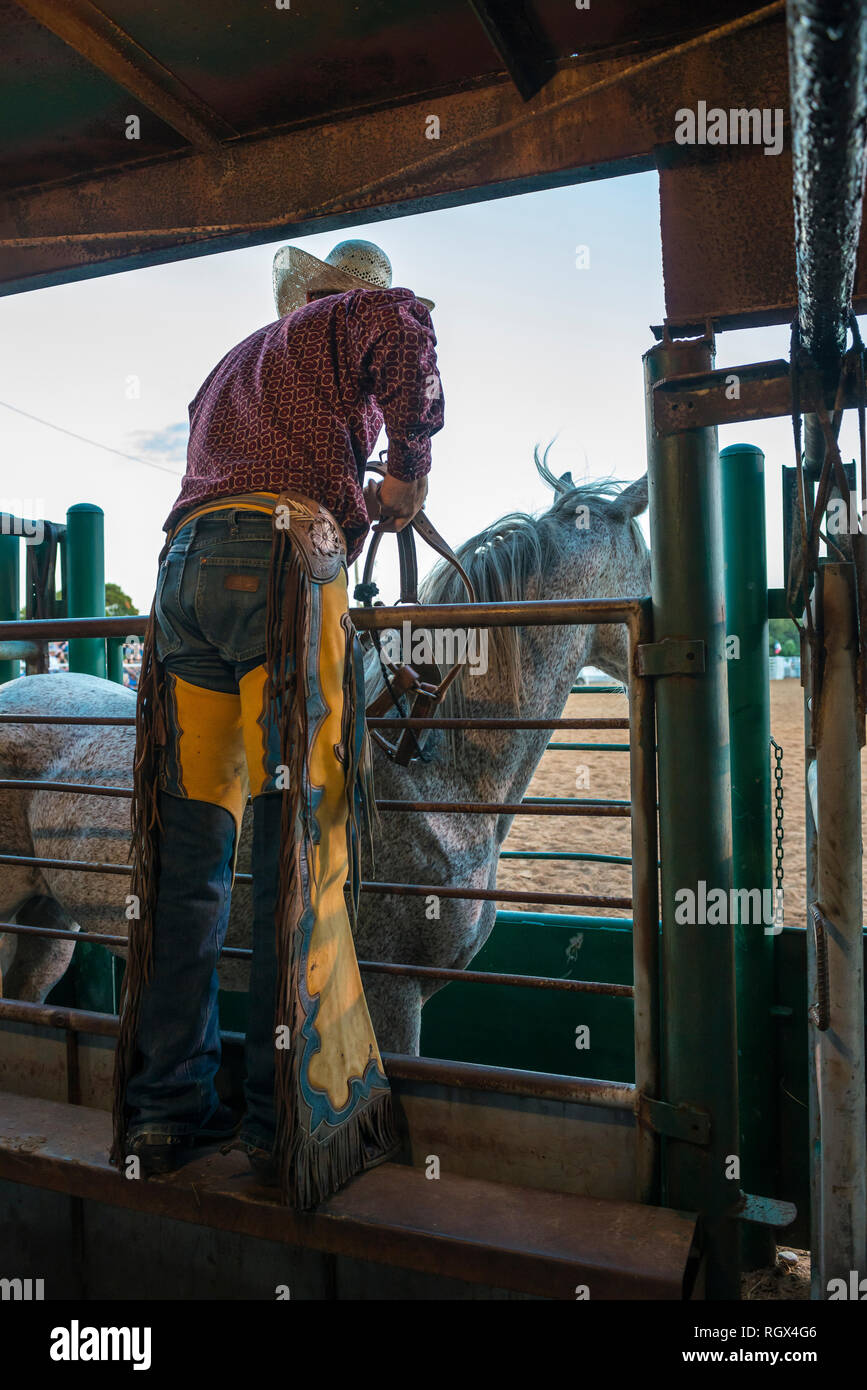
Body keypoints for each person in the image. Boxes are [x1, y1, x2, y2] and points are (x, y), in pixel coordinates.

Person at [109, 239, 444, 1209]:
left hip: (183, 580)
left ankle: (167, 1109)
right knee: (297, 844)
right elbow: (407, 333)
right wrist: (407, 473)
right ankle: (283, 1121)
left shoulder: (236, 364)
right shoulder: (349, 319)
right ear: (339, 293)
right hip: (283, 567)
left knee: (188, 859)